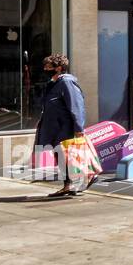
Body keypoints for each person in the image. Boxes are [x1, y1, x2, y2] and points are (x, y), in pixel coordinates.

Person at [34, 54, 102, 197]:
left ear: (59, 68)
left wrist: (79, 128)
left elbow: (76, 106)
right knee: (62, 157)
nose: (45, 69)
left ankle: (88, 175)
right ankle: (68, 185)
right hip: (55, 127)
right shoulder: (53, 84)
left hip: (64, 127)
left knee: (70, 156)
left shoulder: (66, 83)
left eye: (48, 67)